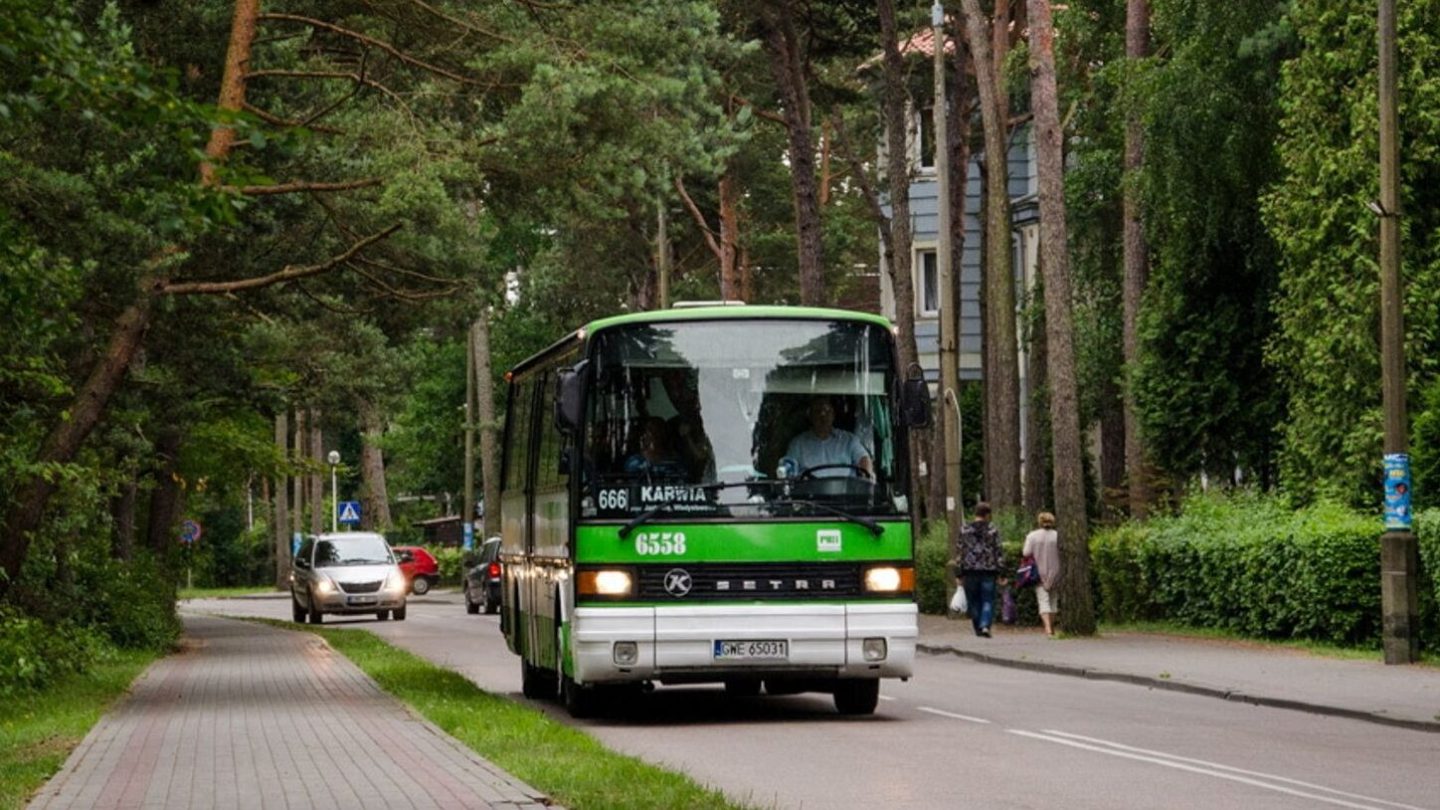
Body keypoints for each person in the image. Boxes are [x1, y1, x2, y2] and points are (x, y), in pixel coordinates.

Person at [785, 396, 872, 478]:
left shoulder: (849, 440)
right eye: (817, 411)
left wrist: (866, 476)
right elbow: (788, 468)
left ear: (833, 415)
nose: (823, 415)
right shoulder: (798, 444)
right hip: (809, 488)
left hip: (845, 488)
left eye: (827, 411)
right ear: (810, 416)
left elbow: (863, 459)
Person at [956, 502, 1003, 637]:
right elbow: (998, 551)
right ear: (987, 515)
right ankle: (985, 625)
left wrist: (958, 573)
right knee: (988, 599)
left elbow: (960, 551)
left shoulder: (965, 530)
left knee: (973, 600)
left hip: (970, 570)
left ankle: (977, 626)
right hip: (988, 569)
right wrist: (1001, 571)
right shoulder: (992, 530)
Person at [1022, 511, 1061, 636]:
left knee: (1043, 600)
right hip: (1056, 571)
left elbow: (1026, 553)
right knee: (1053, 600)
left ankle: (1047, 628)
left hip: (1038, 572)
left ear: (1039, 522)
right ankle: (1052, 627)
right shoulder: (1058, 536)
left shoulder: (1032, 536)